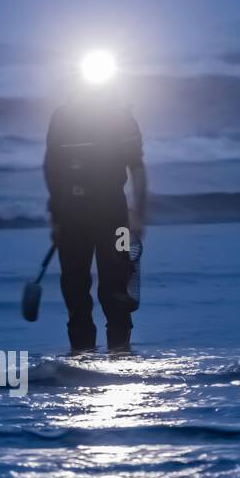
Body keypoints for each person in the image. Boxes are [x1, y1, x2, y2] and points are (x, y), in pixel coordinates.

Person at [43, 60, 148, 353]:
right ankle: (81, 358)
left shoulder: (122, 118)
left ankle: (120, 356)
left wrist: (138, 213)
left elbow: (137, 169)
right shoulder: (62, 118)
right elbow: (52, 168)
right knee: (75, 291)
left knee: (116, 290)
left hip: (114, 212)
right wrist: (55, 216)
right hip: (71, 214)